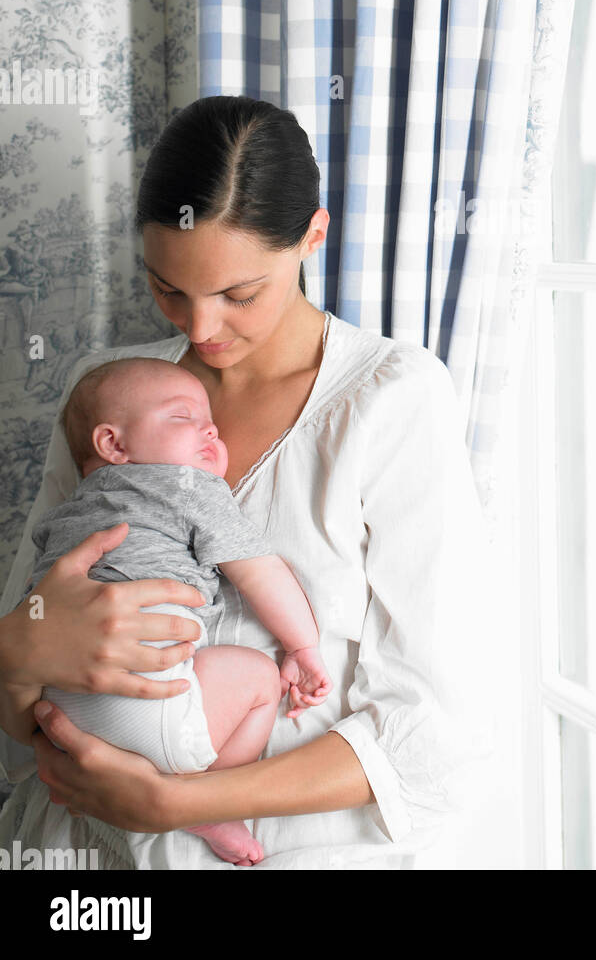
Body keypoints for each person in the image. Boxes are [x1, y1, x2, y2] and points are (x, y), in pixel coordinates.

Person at [0, 95, 494, 870]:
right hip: (83, 858)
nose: (199, 330)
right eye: (168, 287)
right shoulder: (108, 396)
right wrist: (20, 647)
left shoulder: (391, 399)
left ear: (313, 238)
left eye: (239, 295)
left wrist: (177, 804)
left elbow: (431, 734)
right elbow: (16, 689)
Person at [13, 355, 335, 866]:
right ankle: (209, 798)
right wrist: (303, 646)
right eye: (182, 417)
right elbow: (257, 568)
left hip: (59, 716)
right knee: (259, 680)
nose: (210, 429)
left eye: (210, 421)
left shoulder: (60, 518)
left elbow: (30, 610)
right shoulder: (187, 488)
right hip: (154, 705)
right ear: (113, 444)